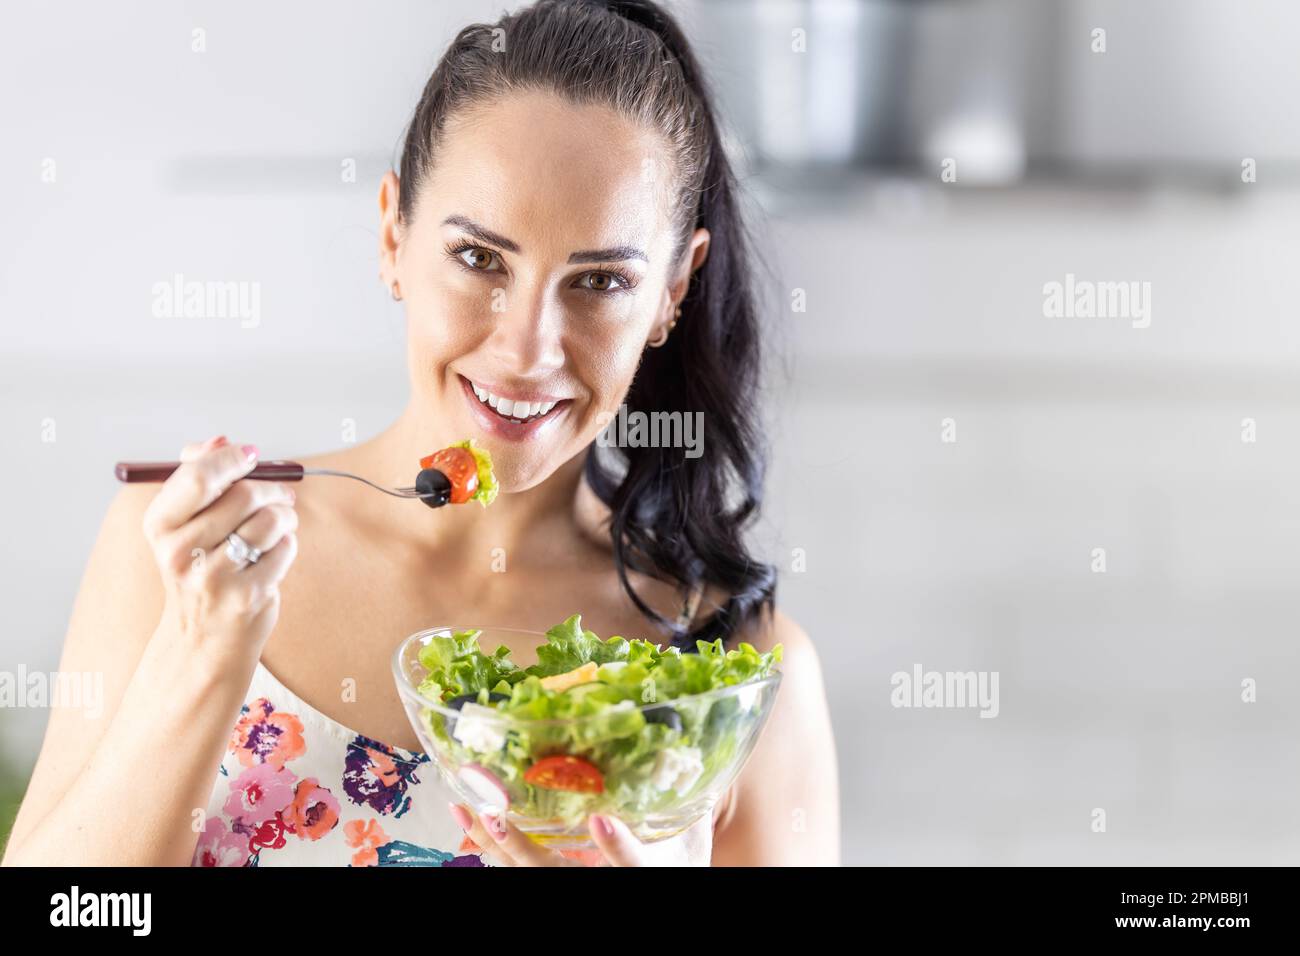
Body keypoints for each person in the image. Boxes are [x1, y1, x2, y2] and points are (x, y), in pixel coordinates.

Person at [2, 0, 838, 867]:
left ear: (672, 291)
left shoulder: (742, 679)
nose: (525, 351)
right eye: (480, 259)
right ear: (394, 233)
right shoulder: (181, 559)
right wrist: (202, 658)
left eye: (598, 282)